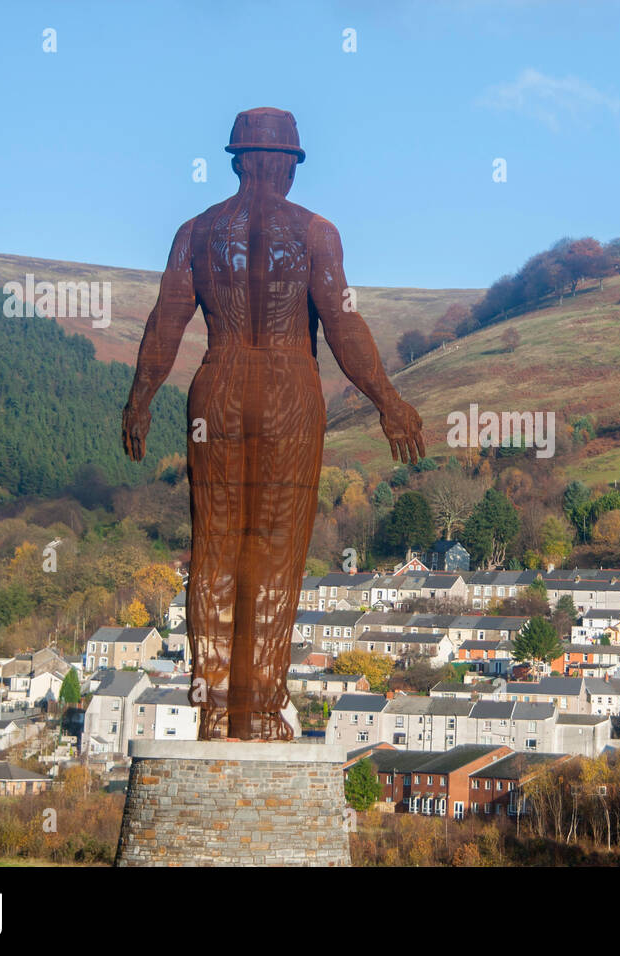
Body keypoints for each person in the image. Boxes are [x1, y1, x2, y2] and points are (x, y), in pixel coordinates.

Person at [122, 108, 425, 740]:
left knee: (214, 544)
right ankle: (258, 708)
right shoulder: (316, 233)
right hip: (290, 389)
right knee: (275, 549)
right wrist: (388, 402)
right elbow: (343, 323)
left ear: (237, 161)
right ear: (288, 163)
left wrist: (140, 400)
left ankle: (211, 706)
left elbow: (164, 325)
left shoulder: (195, 233)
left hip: (219, 385)